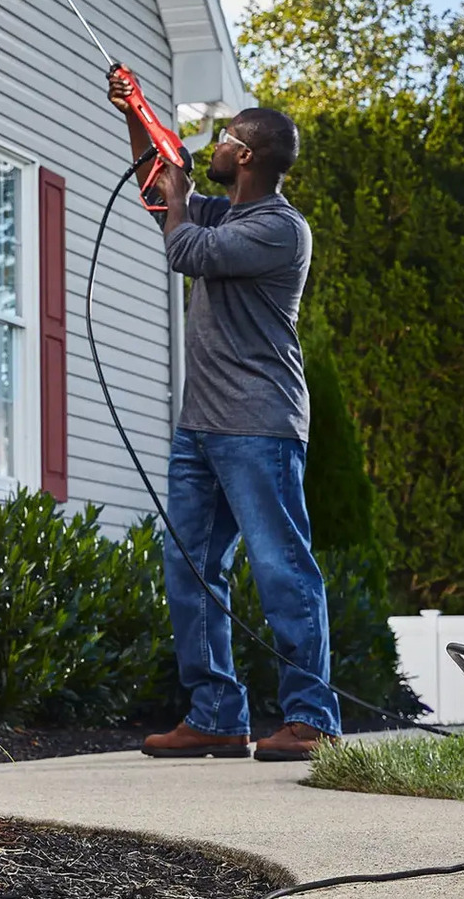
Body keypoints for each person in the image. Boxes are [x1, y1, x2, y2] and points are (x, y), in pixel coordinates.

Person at [107, 70, 340, 762]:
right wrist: (136, 114)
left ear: (245, 155)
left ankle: (312, 717)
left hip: (259, 425)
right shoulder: (222, 212)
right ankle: (214, 713)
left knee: (281, 567)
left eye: (225, 137)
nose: (212, 145)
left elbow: (184, 249)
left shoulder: (279, 229)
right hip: (201, 427)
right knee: (191, 568)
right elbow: (160, 192)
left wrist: (180, 195)